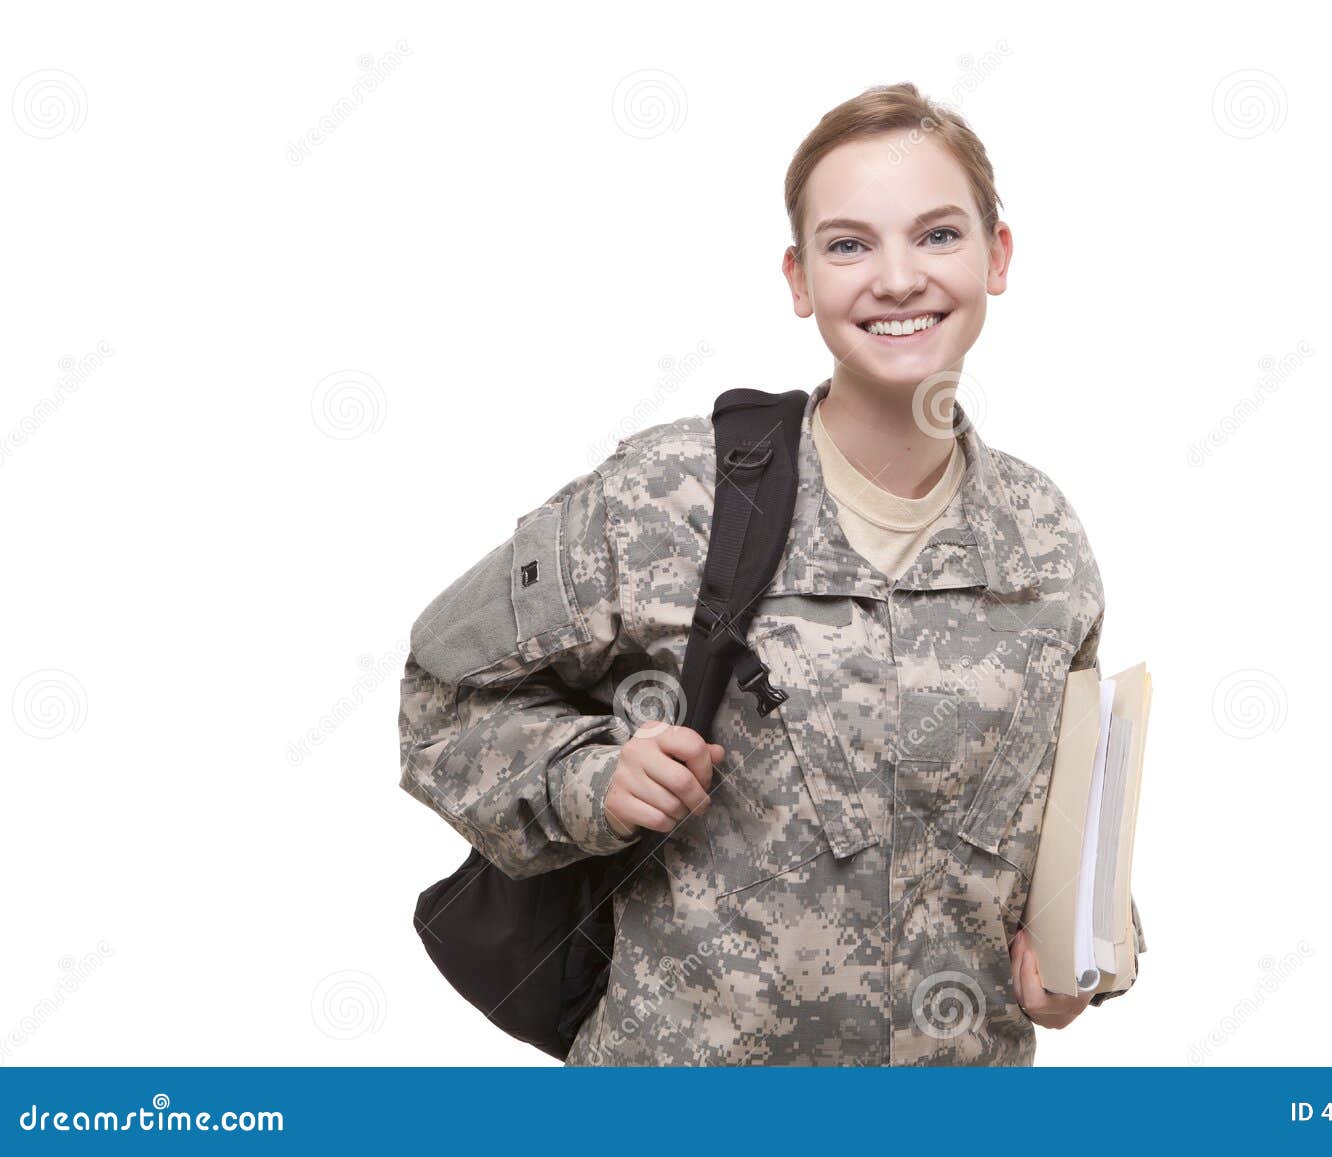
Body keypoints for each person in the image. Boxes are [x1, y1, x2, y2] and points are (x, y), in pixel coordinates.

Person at [397, 81, 1141, 1065]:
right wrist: (594, 780)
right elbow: (442, 694)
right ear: (798, 279)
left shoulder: (1041, 537)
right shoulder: (669, 493)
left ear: (995, 256)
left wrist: (1075, 958)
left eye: (937, 235)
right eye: (848, 244)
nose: (895, 278)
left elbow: (1065, 810)